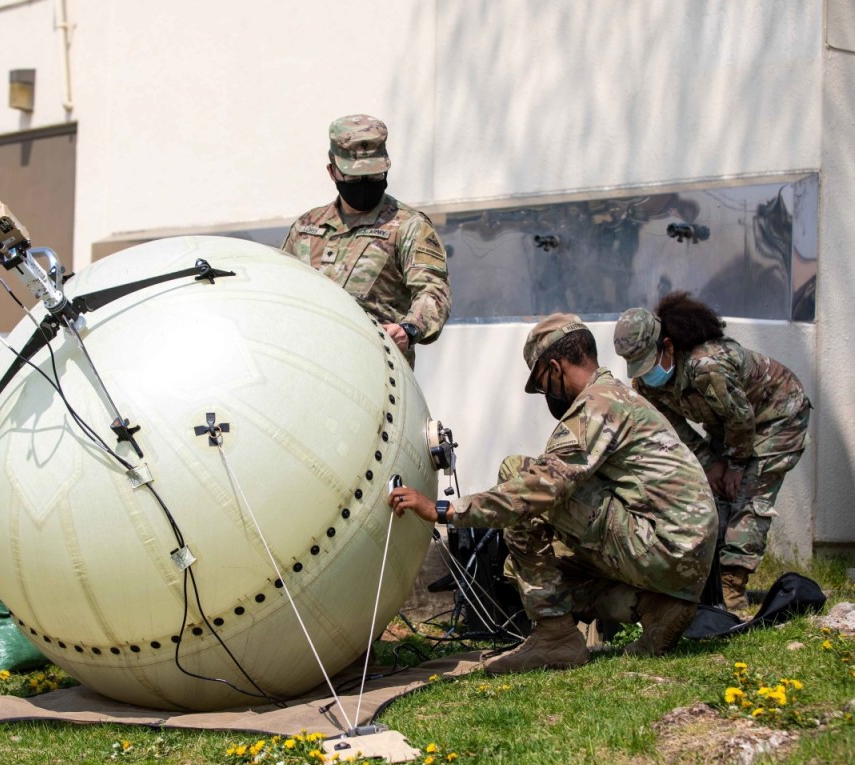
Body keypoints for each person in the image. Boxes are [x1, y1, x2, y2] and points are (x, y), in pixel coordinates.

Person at [388, 313, 718, 673]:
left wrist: (446, 510)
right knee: (540, 572)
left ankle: (555, 637)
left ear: (555, 368)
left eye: (542, 383)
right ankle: (654, 607)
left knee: (518, 472)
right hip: (684, 553)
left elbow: (542, 486)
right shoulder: (620, 396)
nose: (545, 394)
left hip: (664, 545)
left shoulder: (597, 405)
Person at [613, 292, 812, 612]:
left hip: (778, 416)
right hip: (730, 428)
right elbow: (676, 427)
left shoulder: (708, 365)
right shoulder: (648, 383)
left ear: (668, 346)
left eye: (649, 362)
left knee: (749, 495)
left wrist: (734, 465)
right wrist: (710, 465)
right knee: (712, 496)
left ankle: (732, 591)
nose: (645, 372)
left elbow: (741, 416)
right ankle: (710, 587)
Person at [281, 114, 450, 366]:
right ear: (332, 171)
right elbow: (281, 292)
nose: (364, 184)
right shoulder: (307, 227)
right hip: (310, 364)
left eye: (373, 176)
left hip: (373, 370)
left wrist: (410, 329)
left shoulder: (409, 226)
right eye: (353, 176)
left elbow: (433, 290)